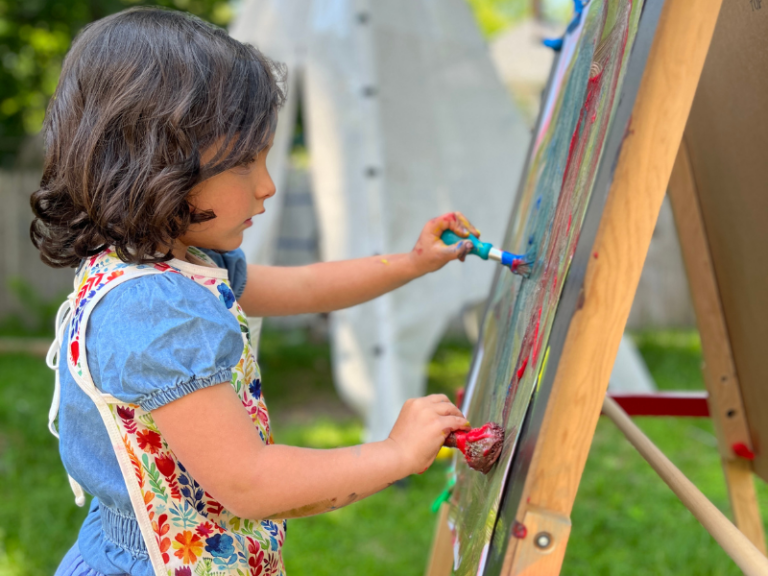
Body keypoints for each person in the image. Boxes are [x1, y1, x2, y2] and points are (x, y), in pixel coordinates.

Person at [33, 7, 478, 576]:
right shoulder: (153, 310)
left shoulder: (176, 263)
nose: (267, 186)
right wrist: (391, 455)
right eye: (245, 164)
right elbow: (249, 481)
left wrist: (411, 264)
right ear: (155, 162)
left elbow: (307, 285)